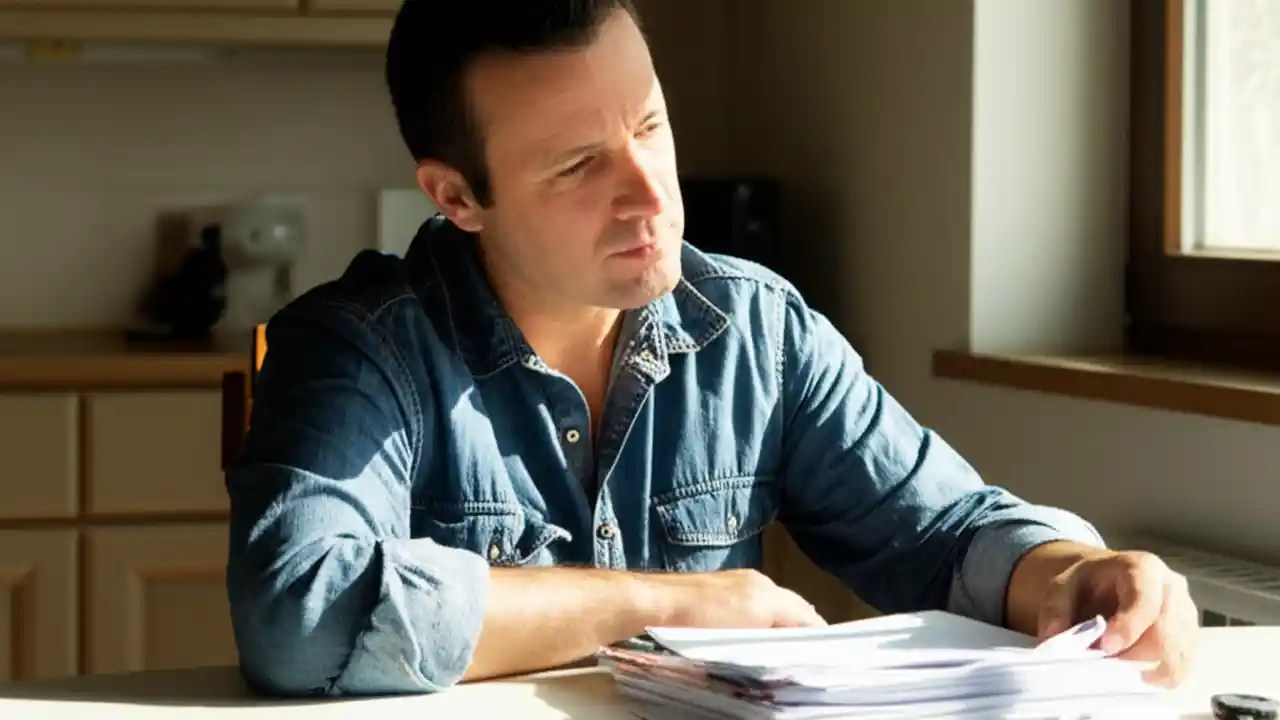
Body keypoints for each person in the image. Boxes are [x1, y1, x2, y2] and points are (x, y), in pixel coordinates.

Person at [224, 0, 1199, 698]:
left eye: (649, 125)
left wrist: (1070, 572)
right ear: (456, 196)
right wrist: (666, 605)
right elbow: (298, 615)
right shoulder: (357, 349)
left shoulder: (756, 328)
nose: (650, 194)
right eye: (579, 166)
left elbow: (942, 536)